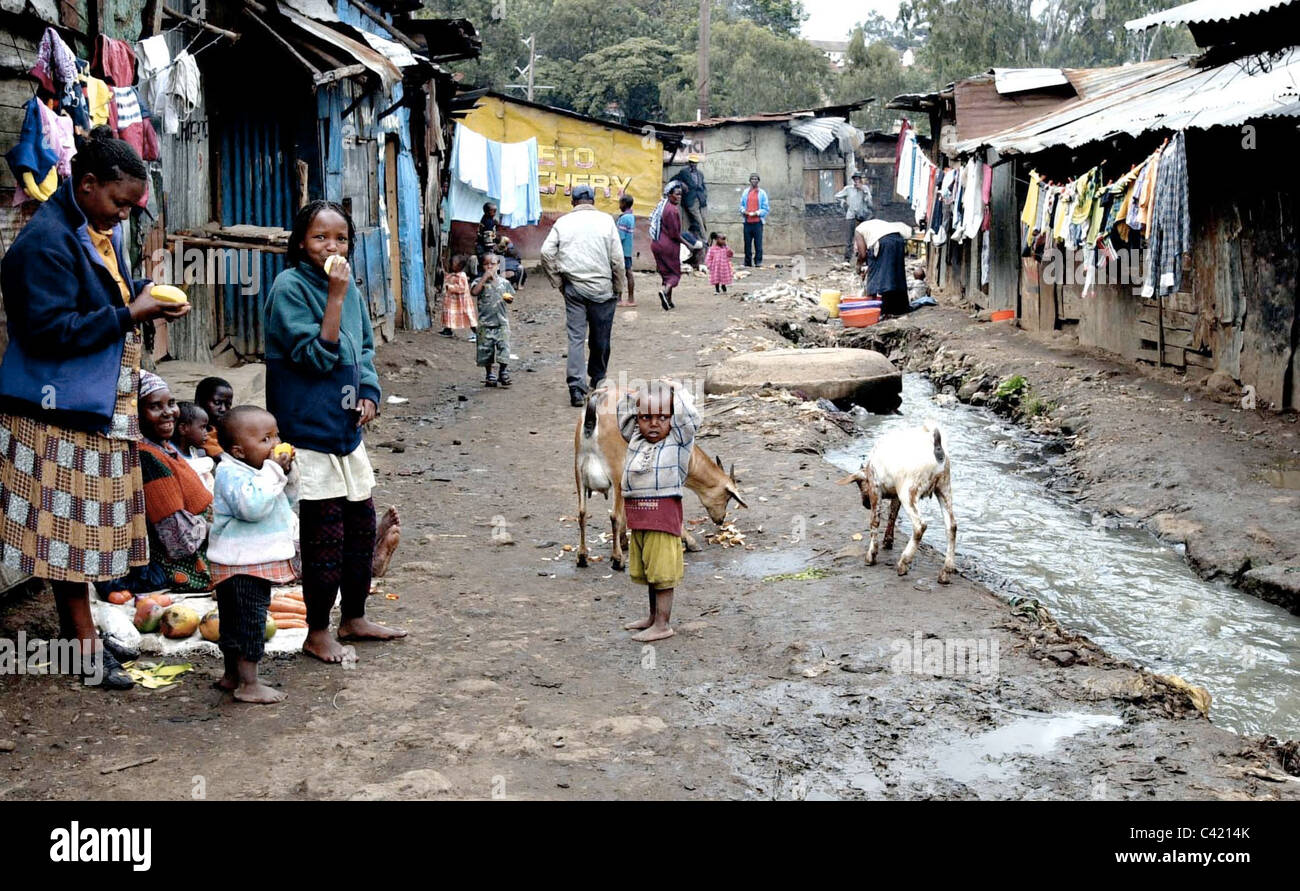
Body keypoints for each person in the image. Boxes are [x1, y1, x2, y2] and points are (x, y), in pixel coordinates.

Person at [0, 126, 190, 689]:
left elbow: (107, 294)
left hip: (97, 405)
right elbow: (48, 333)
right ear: (85, 184)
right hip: (55, 413)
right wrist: (132, 314)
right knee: (66, 537)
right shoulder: (43, 244)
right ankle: (82, 646)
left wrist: (141, 296)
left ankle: (84, 635)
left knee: (86, 534)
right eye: (120, 201)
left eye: (134, 206)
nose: (127, 214)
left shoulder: (96, 227)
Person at [263, 199, 406, 664]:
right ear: (301, 242)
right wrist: (336, 297)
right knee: (323, 536)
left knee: (361, 527)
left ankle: (355, 616)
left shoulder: (353, 292)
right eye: (320, 237)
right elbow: (315, 357)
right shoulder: (289, 288)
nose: (332, 245)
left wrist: (369, 393)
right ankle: (317, 630)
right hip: (307, 429)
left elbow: (363, 348)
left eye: (341, 238)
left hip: (347, 431)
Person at [209, 405, 299, 704]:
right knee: (249, 622)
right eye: (265, 439)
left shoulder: (259, 470)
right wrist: (274, 470)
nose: (275, 445)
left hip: (246, 561)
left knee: (236, 620)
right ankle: (248, 684)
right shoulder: (230, 473)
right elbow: (252, 508)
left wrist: (286, 472)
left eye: (276, 436)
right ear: (238, 451)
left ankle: (232, 676)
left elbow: (287, 499)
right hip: (242, 564)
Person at [616, 380, 700, 643]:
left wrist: (678, 392)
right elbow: (624, 417)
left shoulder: (678, 440)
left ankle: (663, 624)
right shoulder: (637, 438)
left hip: (662, 517)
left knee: (662, 573)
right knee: (650, 570)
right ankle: (652, 617)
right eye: (646, 417)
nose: (654, 423)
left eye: (663, 417)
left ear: (672, 418)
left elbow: (690, 419)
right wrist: (637, 395)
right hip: (639, 516)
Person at [539, 183, 626, 407]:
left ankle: (576, 389)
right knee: (601, 338)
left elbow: (546, 252)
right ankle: (598, 380)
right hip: (603, 290)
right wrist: (618, 286)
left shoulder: (563, 222)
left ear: (573, 202)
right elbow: (617, 259)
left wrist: (558, 281)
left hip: (574, 289)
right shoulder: (607, 221)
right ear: (594, 201)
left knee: (576, 338)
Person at [128, 371, 213, 594]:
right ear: (135, 414)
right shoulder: (148, 459)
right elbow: (179, 540)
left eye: (171, 403)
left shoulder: (162, 448)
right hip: (189, 563)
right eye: (156, 406)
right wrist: (225, 529)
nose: (169, 413)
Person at [649, 182, 700, 312]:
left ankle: (669, 300)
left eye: (680, 194)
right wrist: (689, 245)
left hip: (656, 243)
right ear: (670, 195)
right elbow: (675, 234)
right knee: (674, 273)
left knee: (665, 273)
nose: (679, 197)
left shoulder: (663, 206)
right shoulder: (672, 210)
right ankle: (664, 291)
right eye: (677, 194)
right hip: (668, 245)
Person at [471, 253, 514, 389]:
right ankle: (489, 374)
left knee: (504, 347)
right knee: (485, 350)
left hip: (501, 322)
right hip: (485, 323)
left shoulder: (504, 283)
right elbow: (474, 292)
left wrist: (509, 299)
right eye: (486, 264)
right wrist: (484, 278)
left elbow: (511, 297)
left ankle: (503, 371)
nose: (489, 266)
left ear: (498, 265)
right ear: (482, 266)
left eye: (493, 264)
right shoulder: (478, 282)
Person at [854, 219, 914, 316]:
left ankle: (875, 308)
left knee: (885, 277)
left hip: (885, 242)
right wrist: (867, 267)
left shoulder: (858, 230)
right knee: (897, 273)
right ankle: (900, 307)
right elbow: (872, 259)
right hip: (898, 240)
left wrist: (858, 265)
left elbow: (863, 254)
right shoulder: (873, 224)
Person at [670, 154, 708, 263]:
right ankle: (704, 240)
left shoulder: (700, 174)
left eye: (695, 163)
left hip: (701, 200)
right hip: (690, 200)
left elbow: (703, 186)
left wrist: (704, 195)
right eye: (692, 162)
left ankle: (703, 240)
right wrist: (682, 184)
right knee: (698, 221)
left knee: (703, 221)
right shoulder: (684, 172)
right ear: (688, 163)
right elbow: (673, 180)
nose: (693, 165)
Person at [172, 400, 215, 493]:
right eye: (202, 427)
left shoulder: (192, 451)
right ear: (183, 428)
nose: (206, 433)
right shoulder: (172, 453)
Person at [835, 173, 874, 260]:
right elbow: (837, 196)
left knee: (864, 238)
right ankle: (847, 259)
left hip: (863, 217)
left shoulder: (865, 189)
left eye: (858, 179)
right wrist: (843, 203)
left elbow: (870, 204)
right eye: (855, 179)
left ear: (861, 180)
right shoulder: (848, 189)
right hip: (851, 216)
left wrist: (864, 192)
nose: (857, 181)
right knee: (849, 238)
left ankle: (864, 257)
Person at [438, 254, 477, 340]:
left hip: (462, 302)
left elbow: (462, 288)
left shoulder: (461, 276)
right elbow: (448, 277)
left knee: (467, 316)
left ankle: (476, 332)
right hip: (453, 301)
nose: (451, 264)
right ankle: (447, 330)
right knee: (449, 313)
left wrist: (450, 287)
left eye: (453, 263)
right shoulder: (454, 274)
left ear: (460, 266)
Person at [195, 376, 232, 459]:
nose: (223, 409)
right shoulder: (195, 433)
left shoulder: (225, 428)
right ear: (200, 401)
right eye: (217, 403)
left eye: (228, 405)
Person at [738, 173, 769, 267]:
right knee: (747, 243)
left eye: (756, 179)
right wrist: (744, 211)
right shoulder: (745, 192)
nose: (754, 180)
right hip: (747, 222)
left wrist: (757, 213)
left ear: (758, 181)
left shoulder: (762, 193)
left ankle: (758, 261)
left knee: (758, 243)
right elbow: (741, 206)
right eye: (752, 179)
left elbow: (766, 208)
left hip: (758, 222)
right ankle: (747, 261)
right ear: (750, 181)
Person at [615, 194, 636, 307]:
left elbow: (620, 236)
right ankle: (631, 298)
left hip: (621, 250)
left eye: (620, 203)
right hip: (628, 250)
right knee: (628, 273)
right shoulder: (631, 217)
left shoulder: (623, 218)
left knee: (620, 273)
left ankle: (619, 298)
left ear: (623, 204)